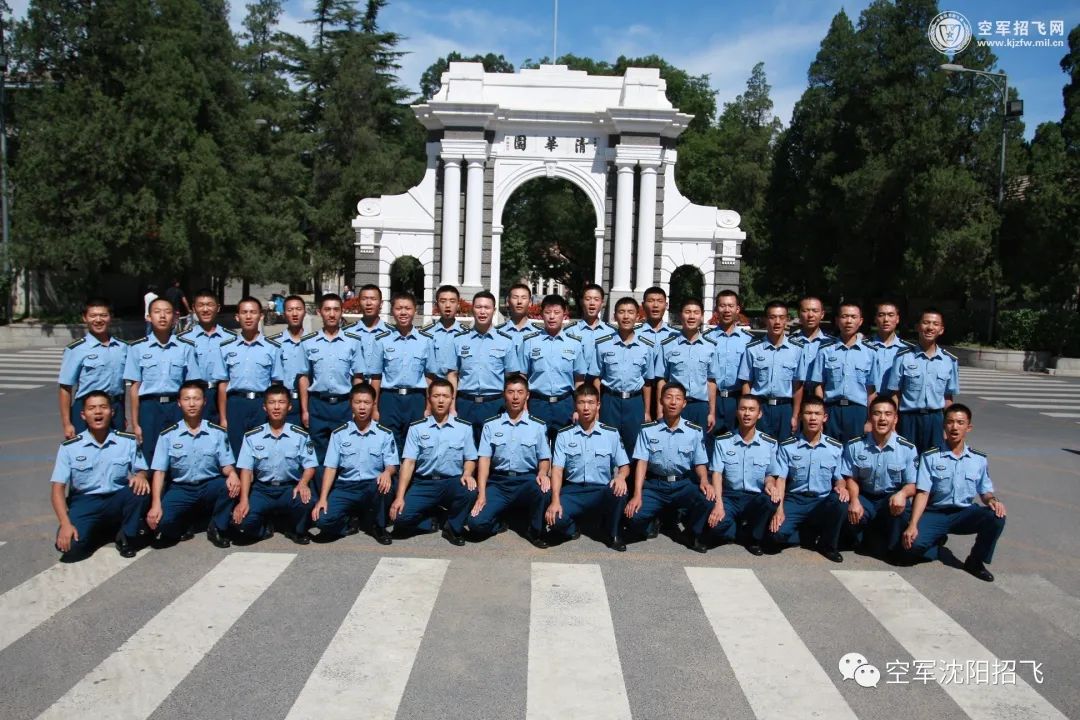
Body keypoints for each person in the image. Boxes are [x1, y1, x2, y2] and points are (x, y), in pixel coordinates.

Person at [900, 404, 1006, 582]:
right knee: (910, 548)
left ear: (968, 427)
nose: (954, 427)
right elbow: (922, 493)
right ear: (944, 426)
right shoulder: (930, 456)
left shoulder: (978, 459)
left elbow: (985, 491)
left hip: (963, 513)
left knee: (996, 516)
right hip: (935, 513)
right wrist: (913, 525)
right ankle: (936, 544)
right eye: (950, 422)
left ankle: (975, 561)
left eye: (960, 422)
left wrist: (993, 501)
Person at [49, 391, 150, 562]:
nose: (98, 412)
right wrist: (65, 524)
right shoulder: (70, 447)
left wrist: (141, 475)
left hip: (117, 498)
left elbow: (142, 469)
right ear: (83, 415)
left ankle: (125, 535)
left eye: (103, 407)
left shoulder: (127, 441)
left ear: (112, 412)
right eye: (92, 408)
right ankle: (96, 529)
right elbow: (57, 489)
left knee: (140, 490)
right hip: (85, 501)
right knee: (71, 548)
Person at [818, 396, 917, 557]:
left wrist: (902, 494)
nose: (882, 418)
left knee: (902, 509)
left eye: (888, 414)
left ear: (895, 419)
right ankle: (831, 544)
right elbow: (851, 478)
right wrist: (854, 500)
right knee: (840, 501)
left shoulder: (907, 448)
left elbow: (912, 484)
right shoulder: (856, 445)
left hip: (889, 500)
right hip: (865, 498)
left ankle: (889, 546)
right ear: (870, 417)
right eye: (877, 413)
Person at [146, 381, 240, 549]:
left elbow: (226, 465)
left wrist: (232, 474)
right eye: (186, 399)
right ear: (179, 403)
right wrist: (155, 504)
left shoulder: (217, 432)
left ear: (204, 402)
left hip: (209, 485)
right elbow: (159, 472)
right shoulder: (168, 435)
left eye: (196, 399)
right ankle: (185, 524)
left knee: (229, 486)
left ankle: (216, 526)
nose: (191, 404)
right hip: (181, 488)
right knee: (162, 523)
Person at [625, 382, 712, 553]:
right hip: (655, 485)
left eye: (678, 398)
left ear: (684, 403)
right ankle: (654, 521)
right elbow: (641, 463)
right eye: (669, 397)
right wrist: (637, 494)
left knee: (708, 499)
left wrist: (704, 480)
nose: (673, 402)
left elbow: (700, 462)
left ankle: (691, 534)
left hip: (682, 485)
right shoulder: (648, 430)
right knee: (633, 516)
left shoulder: (694, 431)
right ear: (661, 401)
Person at [388, 378, 478, 546]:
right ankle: (432, 519)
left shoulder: (464, 428)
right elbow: (408, 463)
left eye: (445, 396)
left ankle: (452, 528)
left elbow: (471, 458)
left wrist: (467, 473)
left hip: (452, 482)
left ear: (452, 399)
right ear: (429, 398)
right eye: (436, 396)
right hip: (424, 484)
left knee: (470, 490)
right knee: (399, 518)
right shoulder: (416, 428)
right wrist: (399, 497)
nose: (441, 400)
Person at [755, 396, 845, 562]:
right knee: (775, 536)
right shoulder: (788, 446)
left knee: (840, 501)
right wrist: (779, 509)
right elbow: (781, 479)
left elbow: (839, 478)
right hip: (796, 500)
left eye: (817, 414)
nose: (812, 418)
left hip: (821, 501)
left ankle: (828, 545)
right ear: (801, 416)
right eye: (808, 413)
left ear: (825, 417)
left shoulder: (835, 447)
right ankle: (806, 535)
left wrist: (841, 487)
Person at [469, 373, 551, 547]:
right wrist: (481, 494)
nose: (515, 397)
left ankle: (534, 530)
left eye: (520, 392)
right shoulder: (491, 425)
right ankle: (498, 523)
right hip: (499, 483)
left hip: (526, 480)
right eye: (511, 392)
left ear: (527, 395)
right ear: (504, 395)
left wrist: (543, 473)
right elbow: (484, 461)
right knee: (476, 524)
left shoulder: (538, 426)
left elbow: (544, 457)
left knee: (544, 490)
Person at [544, 385, 630, 550]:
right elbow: (557, 470)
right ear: (575, 406)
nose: (586, 407)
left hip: (600, 490)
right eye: (581, 402)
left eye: (590, 402)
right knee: (554, 518)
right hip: (574, 491)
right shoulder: (564, 435)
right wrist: (555, 501)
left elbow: (624, 465)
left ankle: (612, 532)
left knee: (620, 491)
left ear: (598, 405)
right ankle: (572, 529)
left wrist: (620, 477)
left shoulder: (611, 434)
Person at [310, 382, 398, 544]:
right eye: (358, 402)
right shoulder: (339, 434)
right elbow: (330, 468)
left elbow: (392, 464)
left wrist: (387, 472)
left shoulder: (384, 434)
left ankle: (377, 526)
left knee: (385, 485)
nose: (362, 407)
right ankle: (349, 522)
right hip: (346, 487)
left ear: (374, 404)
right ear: (351, 404)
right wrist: (323, 498)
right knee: (322, 520)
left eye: (366, 402)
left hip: (372, 485)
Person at [231, 385, 317, 545]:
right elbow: (246, 470)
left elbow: (310, 466)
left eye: (281, 402)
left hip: (289, 488)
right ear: (265, 407)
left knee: (306, 502)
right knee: (242, 522)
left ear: (289, 406)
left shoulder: (301, 435)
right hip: (262, 490)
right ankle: (264, 529)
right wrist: (243, 500)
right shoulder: (252, 437)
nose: (276, 407)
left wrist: (303, 483)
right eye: (272, 402)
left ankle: (295, 529)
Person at [124, 297, 203, 463]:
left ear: (175, 318)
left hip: (177, 407)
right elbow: (134, 388)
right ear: (148, 317)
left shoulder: (186, 347)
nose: (162, 316)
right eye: (157, 312)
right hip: (149, 408)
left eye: (167, 312)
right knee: (149, 454)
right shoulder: (137, 348)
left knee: (178, 453)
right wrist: (135, 424)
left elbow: (192, 386)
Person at [704, 395, 777, 555]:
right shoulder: (723, 441)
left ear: (759, 414)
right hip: (730, 497)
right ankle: (739, 531)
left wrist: (770, 483)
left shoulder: (769, 443)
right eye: (743, 409)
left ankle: (753, 539)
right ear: (737, 412)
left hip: (754, 498)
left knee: (770, 501)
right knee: (715, 527)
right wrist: (719, 504)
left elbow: (770, 474)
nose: (747, 414)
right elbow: (717, 474)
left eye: (751, 410)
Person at [297, 293, 366, 463]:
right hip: (318, 405)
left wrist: (356, 406)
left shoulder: (353, 342)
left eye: (336, 309)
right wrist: (305, 410)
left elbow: (358, 377)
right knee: (317, 455)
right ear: (319, 312)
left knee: (346, 454)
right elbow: (303, 377)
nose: (332, 314)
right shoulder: (308, 342)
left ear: (342, 311)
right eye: (327, 309)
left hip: (344, 405)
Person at [446, 291, 520, 444]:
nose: (482, 311)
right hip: (465, 403)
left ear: (494, 310)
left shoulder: (506, 341)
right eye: (478, 307)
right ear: (472, 309)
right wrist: (452, 406)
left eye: (487, 307)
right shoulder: (459, 340)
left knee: (494, 449)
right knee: (464, 450)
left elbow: (512, 378)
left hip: (495, 404)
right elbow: (452, 375)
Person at [368, 291, 438, 452]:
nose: (403, 312)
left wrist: (429, 406)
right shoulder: (381, 340)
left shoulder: (426, 340)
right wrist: (374, 407)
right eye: (399, 308)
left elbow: (429, 376)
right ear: (392, 311)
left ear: (415, 311)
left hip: (416, 399)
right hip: (389, 399)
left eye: (408, 308)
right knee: (389, 444)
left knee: (415, 444)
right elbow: (376, 377)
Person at [215, 297, 285, 456]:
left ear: (261, 316)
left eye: (253, 312)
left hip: (262, 405)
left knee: (262, 450)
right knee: (235, 449)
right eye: (244, 312)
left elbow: (276, 384)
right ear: (237, 317)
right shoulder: (226, 347)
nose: (248, 317)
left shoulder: (273, 348)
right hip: (236, 404)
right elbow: (223, 384)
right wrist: (224, 418)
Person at [884, 308, 959, 453]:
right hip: (908, 419)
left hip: (935, 419)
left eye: (935, 324)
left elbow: (948, 398)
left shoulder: (949, 361)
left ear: (941, 330)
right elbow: (895, 394)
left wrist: (948, 426)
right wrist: (893, 423)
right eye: (926, 323)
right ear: (918, 327)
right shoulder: (903, 357)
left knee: (934, 460)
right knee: (906, 459)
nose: (930, 327)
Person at [805, 302, 879, 443]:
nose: (849, 321)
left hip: (858, 411)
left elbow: (871, 391)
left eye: (853, 317)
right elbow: (819, 386)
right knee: (830, 449)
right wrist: (820, 414)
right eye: (844, 316)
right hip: (831, 409)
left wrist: (870, 420)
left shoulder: (870, 352)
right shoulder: (825, 350)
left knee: (856, 450)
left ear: (860, 321)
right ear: (837, 320)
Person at [594, 296, 656, 458]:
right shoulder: (603, 344)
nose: (626, 316)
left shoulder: (646, 346)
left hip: (634, 402)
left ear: (638, 316)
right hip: (610, 401)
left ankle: (631, 476)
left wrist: (647, 411)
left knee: (634, 448)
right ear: (615, 316)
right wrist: (597, 407)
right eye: (621, 312)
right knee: (606, 447)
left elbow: (647, 382)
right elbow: (596, 378)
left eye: (630, 312)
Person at [58, 297, 128, 438]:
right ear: (85, 318)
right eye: (93, 316)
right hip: (86, 408)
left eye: (103, 315)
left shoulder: (122, 347)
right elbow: (65, 387)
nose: (98, 320)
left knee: (117, 448)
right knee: (85, 448)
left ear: (110, 317)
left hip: (115, 408)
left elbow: (122, 385)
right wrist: (67, 423)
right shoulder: (76, 349)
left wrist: (123, 413)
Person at [738, 300, 805, 442]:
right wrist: (748, 410)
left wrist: (795, 415)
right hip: (760, 407)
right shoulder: (753, 349)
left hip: (784, 408)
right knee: (759, 447)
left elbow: (798, 386)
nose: (777, 322)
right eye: (772, 317)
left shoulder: (797, 349)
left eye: (781, 317)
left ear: (787, 320)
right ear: (765, 320)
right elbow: (746, 383)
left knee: (785, 447)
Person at [656, 298, 717, 455]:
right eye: (687, 312)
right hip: (674, 405)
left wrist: (711, 412)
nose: (691, 316)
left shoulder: (710, 346)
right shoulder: (668, 344)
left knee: (700, 450)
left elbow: (711, 381)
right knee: (673, 447)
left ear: (701, 317)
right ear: (680, 315)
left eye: (696, 313)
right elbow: (662, 379)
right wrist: (660, 410)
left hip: (700, 406)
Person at [177, 289, 232, 423]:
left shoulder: (231, 339)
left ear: (218, 308)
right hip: (194, 396)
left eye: (210, 305)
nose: (205, 309)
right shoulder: (182, 340)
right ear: (193, 308)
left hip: (224, 394)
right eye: (201, 305)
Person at [706, 290, 754, 435]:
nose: (726, 310)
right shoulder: (707, 339)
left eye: (731, 306)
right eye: (722, 306)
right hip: (713, 399)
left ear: (737, 309)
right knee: (710, 441)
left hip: (737, 399)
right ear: (716, 309)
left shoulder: (748, 341)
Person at [267, 295, 309, 425]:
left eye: (298, 309)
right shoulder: (273, 343)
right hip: (281, 403)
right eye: (290, 310)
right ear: (284, 314)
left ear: (305, 312)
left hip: (309, 402)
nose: (295, 314)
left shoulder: (314, 342)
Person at [568, 283, 612, 378]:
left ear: (602, 303)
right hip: (577, 382)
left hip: (602, 383)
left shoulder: (612, 332)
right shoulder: (570, 331)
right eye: (588, 299)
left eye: (596, 299)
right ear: (581, 302)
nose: (592, 303)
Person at [868, 300, 914, 391]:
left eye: (890, 315)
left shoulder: (908, 350)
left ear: (897, 319)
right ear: (875, 319)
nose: (886, 319)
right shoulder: (864, 347)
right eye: (881, 315)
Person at [424, 285, 463, 379]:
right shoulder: (426, 334)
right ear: (437, 305)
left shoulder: (466, 334)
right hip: (433, 383)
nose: (447, 305)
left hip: (459, 383)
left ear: (458, 304)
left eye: (452, 301)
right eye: (443, 301)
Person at [793, 295, 834, 370]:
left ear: (822, 314)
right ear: (799, 314)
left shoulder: (832, 344)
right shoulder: (789, 343)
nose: (810, 315)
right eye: (805, 311)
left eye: (815, 311)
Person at [497, 283, 540, 351]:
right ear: (508, 301)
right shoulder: (497, 333)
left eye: (524, 298)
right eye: (515, 297)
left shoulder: (540, 334)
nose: (519, 301)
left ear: (530, 302)